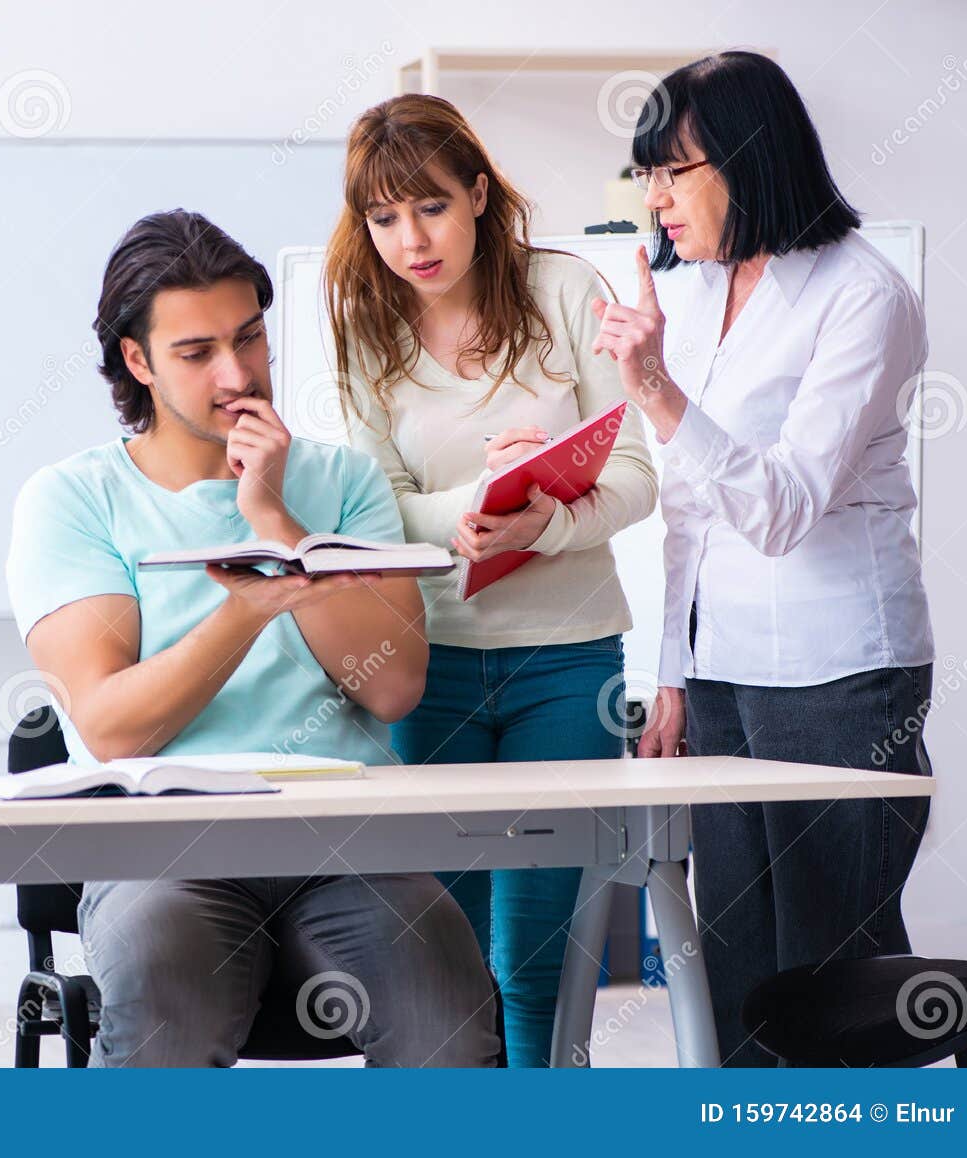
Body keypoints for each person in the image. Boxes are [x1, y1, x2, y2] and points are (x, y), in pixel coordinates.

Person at [4, 208, 501, 1067]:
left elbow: (392, 688)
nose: (237, 375)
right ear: (137, 362)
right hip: (159, 847)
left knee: (447, 1012)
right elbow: (116, 728)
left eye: (250, 339)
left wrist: (273, 520)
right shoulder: (74, 500)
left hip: (343, 837)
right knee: (170, 1004)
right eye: (197, 354)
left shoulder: (340, 481)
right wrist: (245, 610)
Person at [602, 51, 934, 1066]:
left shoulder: (861, 296)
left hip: (839, 670)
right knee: (737, 968)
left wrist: (657, 392)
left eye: (674, 171)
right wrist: (671, 673)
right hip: (721, 673)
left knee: (833, 970)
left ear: (748, 160)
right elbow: (689, 513)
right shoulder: (695, 293)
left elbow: (785, 506)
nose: (655, 200)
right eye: (645, 174)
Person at [325, 94, 658, 1067]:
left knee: (542, 955)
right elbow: (374, 508)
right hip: (429, 664)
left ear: (477, 192)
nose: (409, 239)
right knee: (443, 953)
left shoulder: (565, 291)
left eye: (428, 206)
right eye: (382, 218)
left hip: (568, 658)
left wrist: (545, 517)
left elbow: (634, 477)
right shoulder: (365, 328)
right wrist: (464, 514)